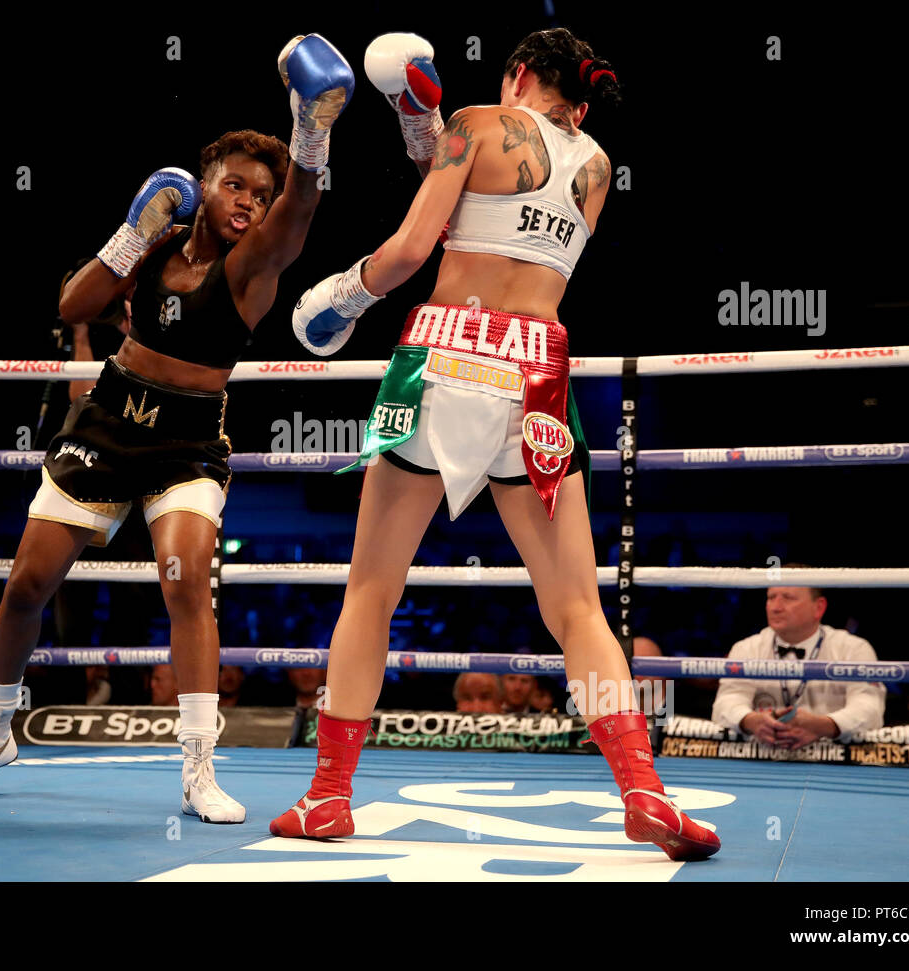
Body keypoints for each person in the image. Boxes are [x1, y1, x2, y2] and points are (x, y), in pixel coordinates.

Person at [271, 29, 719, 861]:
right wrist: (423, 129)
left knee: (372, 588)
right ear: (580, 105)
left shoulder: (476, 122)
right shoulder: (596, 168)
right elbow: (492, 227)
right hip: (538, 375)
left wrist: (339, 295)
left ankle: (329, 797)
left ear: (515, 75)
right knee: (578, 609)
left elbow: (416, 248)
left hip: (445, 357)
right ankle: (644, 794)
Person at [0, 33, 355, 826]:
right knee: (28, 581)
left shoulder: (250, 269)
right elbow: (70, 307)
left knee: (184, 579)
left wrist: (312, 133)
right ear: (204, 185)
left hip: (187, 440)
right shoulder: (157, 244)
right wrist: (131, 234)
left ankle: (200, 767)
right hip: (105, 420)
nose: (247, 201)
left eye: (258, 194)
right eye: (234, 185)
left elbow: (301, 214)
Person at [712, 567, 885, 747]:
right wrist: (751, 721)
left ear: (818, 607)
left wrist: (825, 725)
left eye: (788, 598)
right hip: (761, 758)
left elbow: (870, 709)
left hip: (835, 763)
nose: (776, 607)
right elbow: (726, 702)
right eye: (771, 598)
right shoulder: (746, 649)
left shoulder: (853, 649)